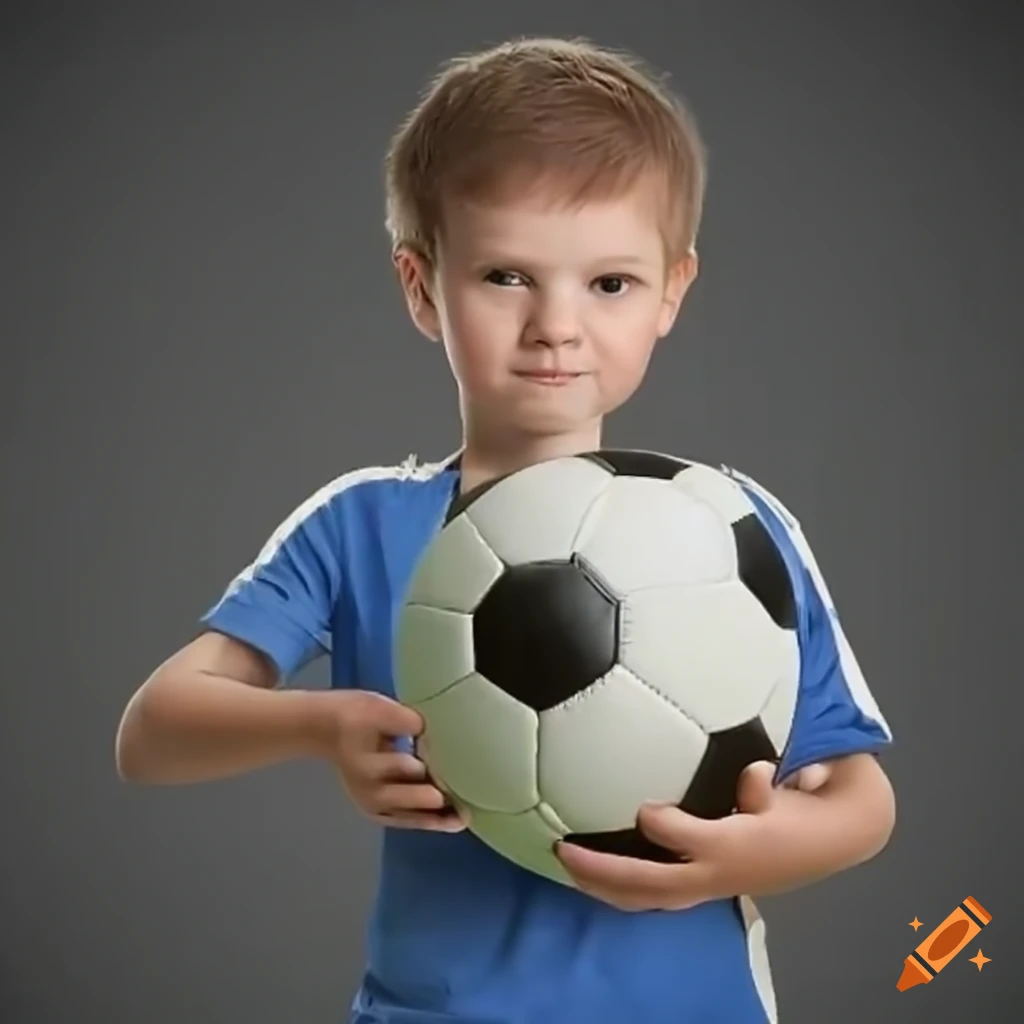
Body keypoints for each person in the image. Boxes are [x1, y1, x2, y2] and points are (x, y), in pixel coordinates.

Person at [116, 36, 896, 1024]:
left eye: (607, 282)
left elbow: (861, 800)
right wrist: (320, 725)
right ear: (420, 286)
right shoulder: (361, 523)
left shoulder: (733, 526)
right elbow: (153, 730)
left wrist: (744, 858)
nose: (555, 325)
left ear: (671, 291)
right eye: (506, 277)